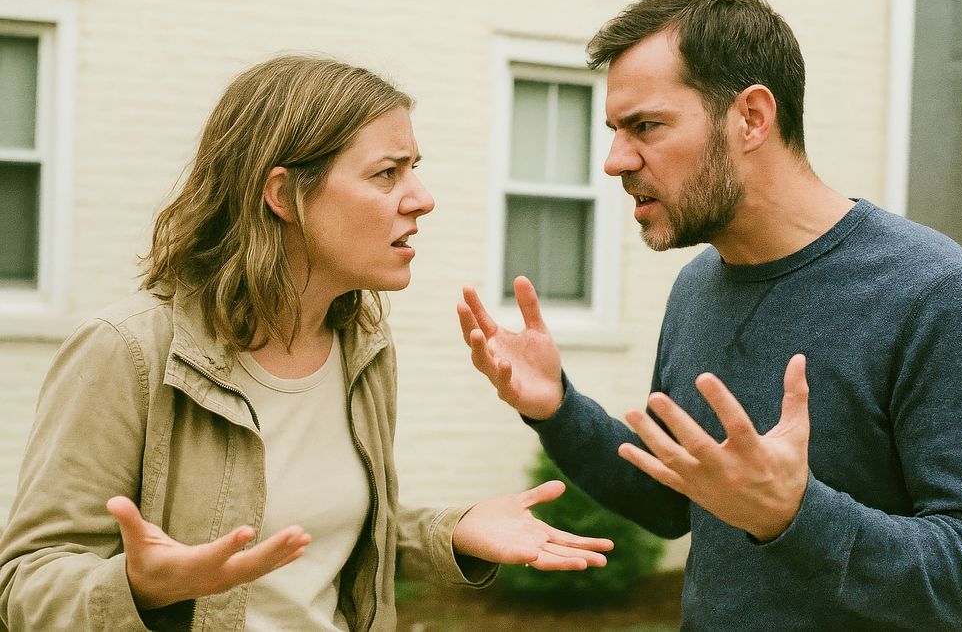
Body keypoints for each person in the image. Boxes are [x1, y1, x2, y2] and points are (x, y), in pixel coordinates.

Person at [0, 54, 613, 631]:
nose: (422, 199)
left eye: (413, 170)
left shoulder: (362, 345)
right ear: (283, 194)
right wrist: (139, 586)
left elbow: (318, 538)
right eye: (386, 174)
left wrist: (452, 530)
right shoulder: (127, 349)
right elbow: (25, 583)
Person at [457, 0, 962, 631]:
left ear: (751, 117)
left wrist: (793, 512)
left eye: (646, 126)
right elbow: (670, 502)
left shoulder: (931, 291)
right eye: (614, 130)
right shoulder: (697, 287)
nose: (613, 161)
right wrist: (555, 408)